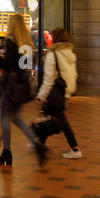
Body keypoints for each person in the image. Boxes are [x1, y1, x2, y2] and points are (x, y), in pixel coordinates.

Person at [0, 12, 45, 168]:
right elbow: (24, 66)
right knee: (15, 117)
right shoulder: (27, 44)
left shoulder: (11, 42)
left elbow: (8, 65)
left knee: (5, 117)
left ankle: (6, 152)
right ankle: (37, 144)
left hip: (10, 87)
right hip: (21, 87)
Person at [35, 27, 80, 159]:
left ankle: (75, 148)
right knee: (48, 116)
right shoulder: (69, 53)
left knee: (60, 121)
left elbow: (49, 78)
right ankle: (39, 143)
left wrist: (41, 95)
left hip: (54, 92)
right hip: (64, 91)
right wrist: (69, 91)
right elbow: (73, 74)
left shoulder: (52, 54)